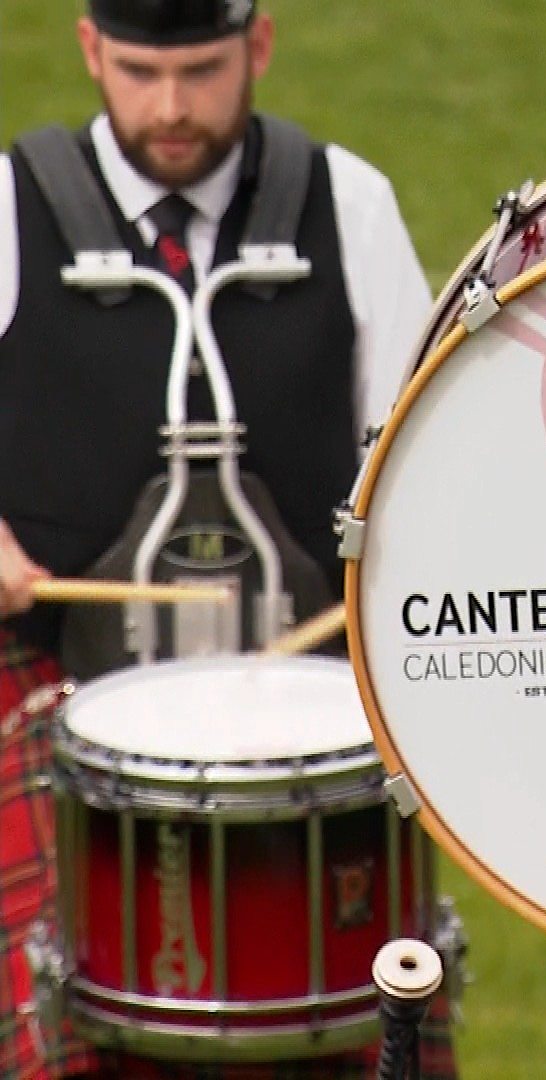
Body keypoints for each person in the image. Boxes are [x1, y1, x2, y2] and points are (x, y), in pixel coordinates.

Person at [0, 2, 442, 1077]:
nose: (170, 108)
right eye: (142, 72)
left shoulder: (352, 208)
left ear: (261, 44)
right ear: (90, 48)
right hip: (61, 701)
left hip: (316, 735)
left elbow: (429, 469)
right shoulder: (8, 212)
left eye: (201, 70)